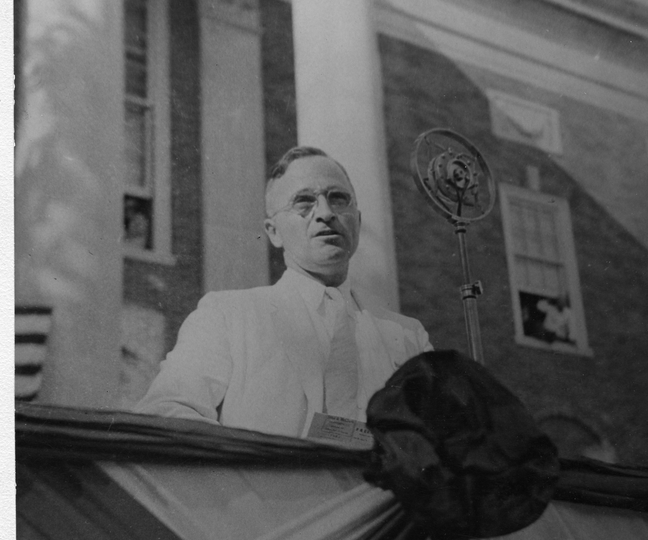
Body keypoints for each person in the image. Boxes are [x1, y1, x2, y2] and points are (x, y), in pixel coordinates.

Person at [135, 147, 432, 442]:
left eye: (338, 199)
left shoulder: (407, 337)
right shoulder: (228, 316)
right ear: (273, 231)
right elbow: (166, 411)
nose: (326, 214)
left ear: (357, 218)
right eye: (303, 202)